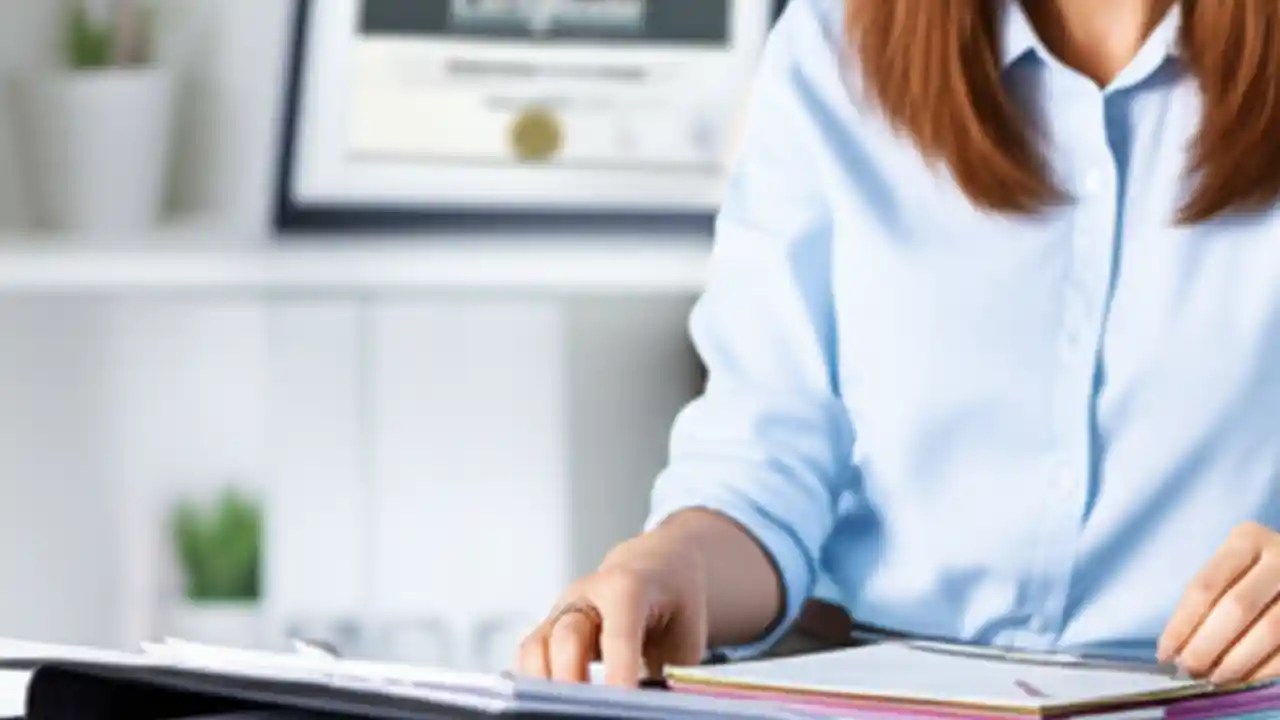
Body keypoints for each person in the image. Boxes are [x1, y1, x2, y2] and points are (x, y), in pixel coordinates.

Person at [518, 0, 1280, 688]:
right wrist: (667, 568)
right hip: (872, 691)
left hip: (1212, 699)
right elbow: (767, 461)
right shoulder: (832, 51)